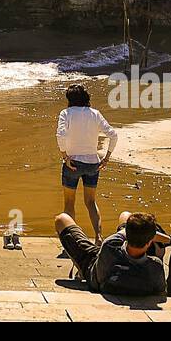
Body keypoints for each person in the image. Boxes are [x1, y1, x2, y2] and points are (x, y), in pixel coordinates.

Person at [54, 209, 171, 298]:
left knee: (61, 219)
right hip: (117, 269)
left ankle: (79, 269)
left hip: (94, 267)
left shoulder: (110, 245)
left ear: (127, 235)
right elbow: (160, 291)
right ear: (149, 243)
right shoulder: (155, 266)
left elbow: (127, 228)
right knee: (126, 215)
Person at [55, 84, 118, 243]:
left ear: (69, 99)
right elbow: (113, 135)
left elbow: (60, 135)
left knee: (69, 203)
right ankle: (98, 236)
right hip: (92, 163)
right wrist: (107, 157)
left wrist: (64, 156)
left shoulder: (66, 113)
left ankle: (73, 240)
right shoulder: (95, 114)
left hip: (73, 163)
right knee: (91, 202)